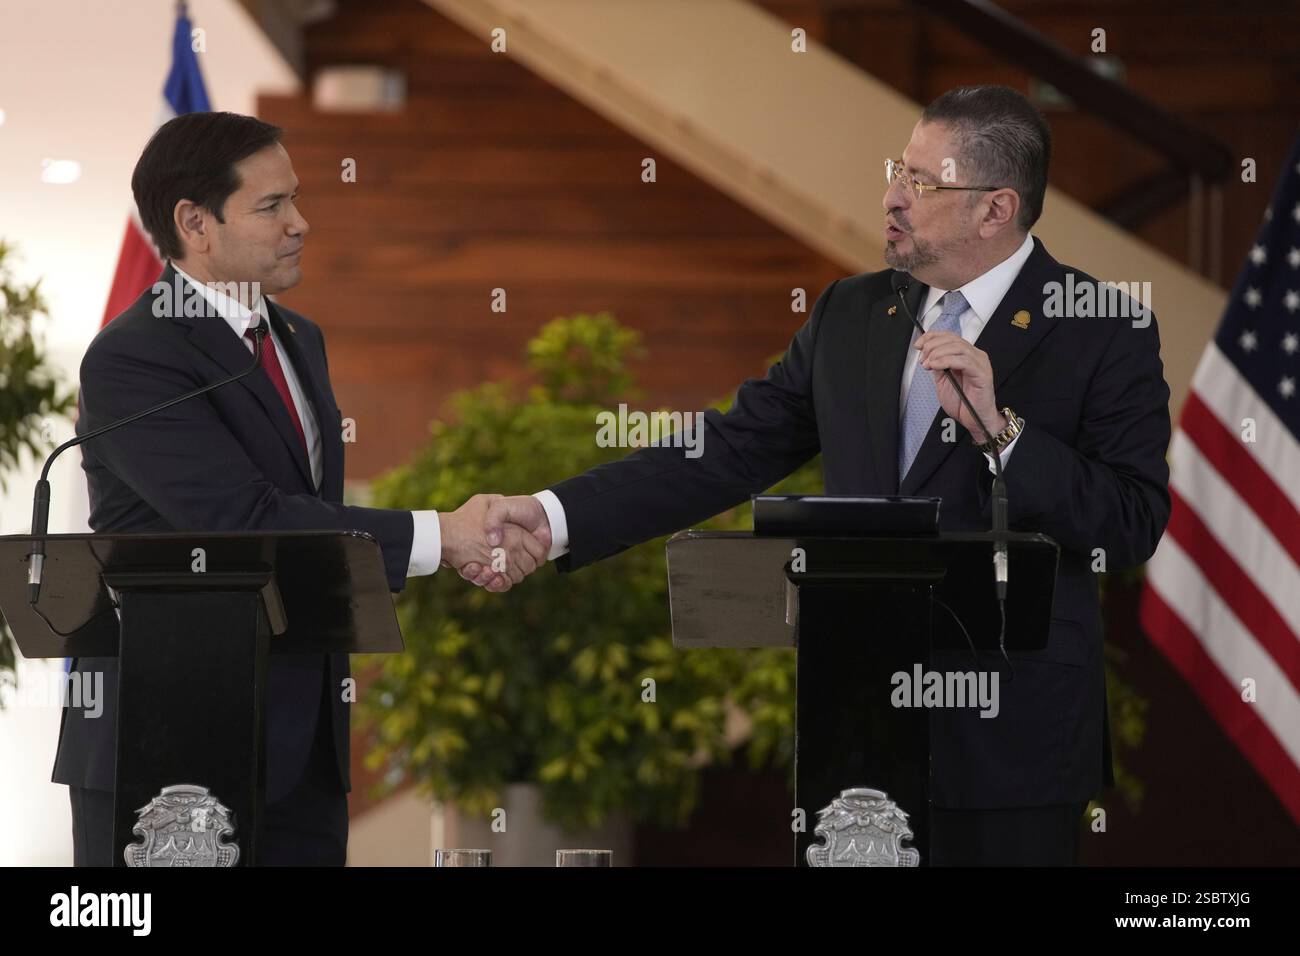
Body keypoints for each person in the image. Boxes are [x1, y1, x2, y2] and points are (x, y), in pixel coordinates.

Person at [457, 85, 1173, 865]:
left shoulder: (1103, 327)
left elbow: (1131, 522)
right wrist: (553, 514)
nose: (892, 196)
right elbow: (727, 450)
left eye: (922, 183)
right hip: (854, 726)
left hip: (1012, 746)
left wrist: (1003, 435)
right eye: (897, 169)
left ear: (995, 209)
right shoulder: (853, 313)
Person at [57, 111, 547, 866]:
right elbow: (245, 521)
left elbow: (307, 518)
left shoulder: (298, 338)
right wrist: (440, 536)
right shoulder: (133, 359)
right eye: (271, 206)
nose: (300, 224)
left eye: (297, 199)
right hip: (170, 749)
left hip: (305, 745)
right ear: (195, 222)